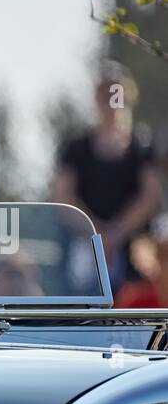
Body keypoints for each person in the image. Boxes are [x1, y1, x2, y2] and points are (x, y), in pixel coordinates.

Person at [52, 61, 163, 294]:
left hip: (134, 255)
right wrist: (96, 234)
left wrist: (117, 233)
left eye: (117, 92)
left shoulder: (141, 147)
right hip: (85, 251)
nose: (111, 101)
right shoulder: (77, 148)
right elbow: (63, 195)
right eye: (105, 94)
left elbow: (150, 195)